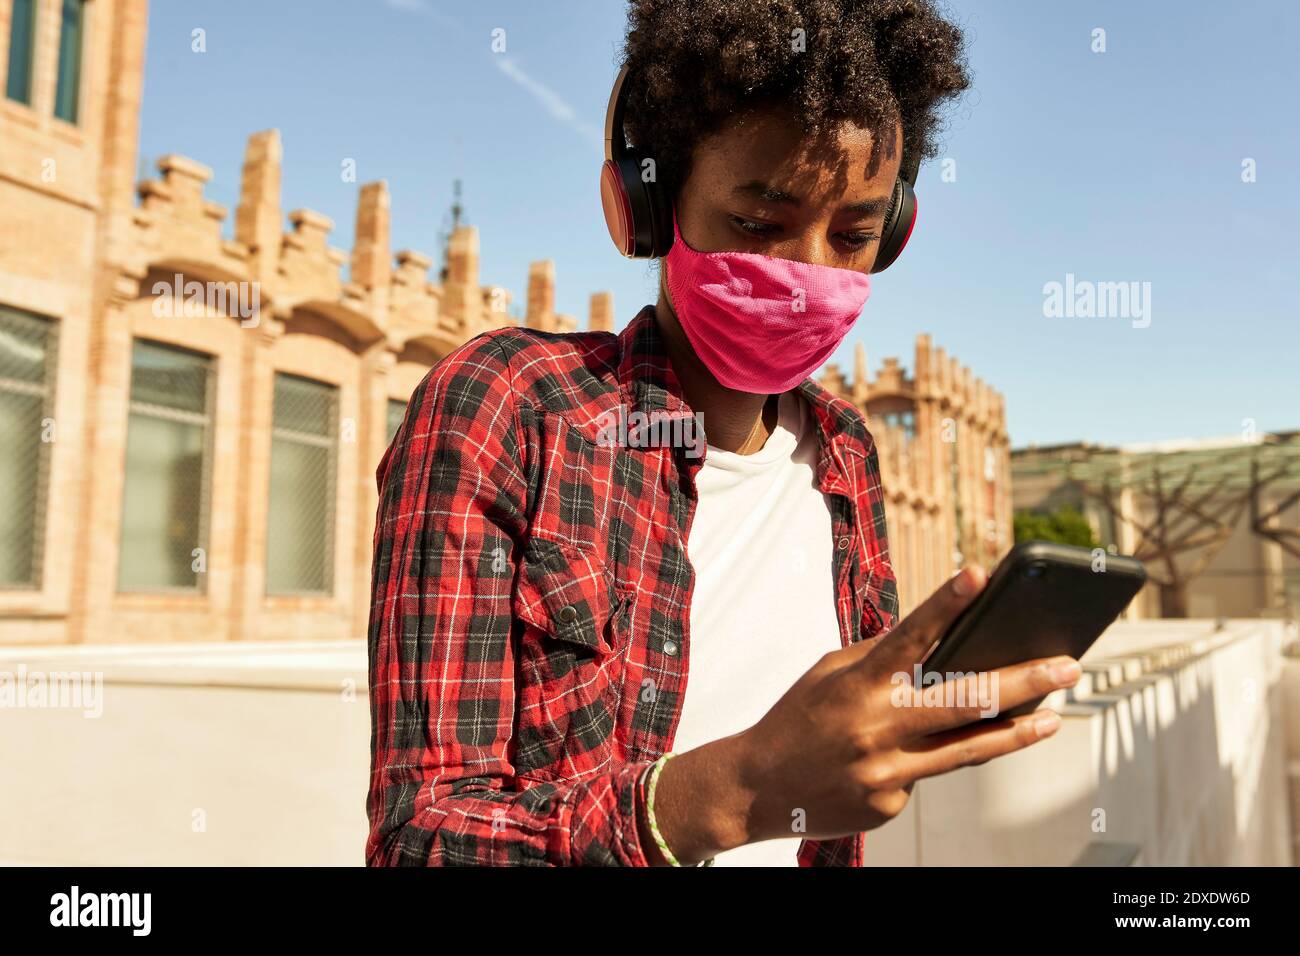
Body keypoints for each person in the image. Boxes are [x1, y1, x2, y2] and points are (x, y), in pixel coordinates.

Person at [365, 0, 1082, 867]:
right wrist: (740, 791)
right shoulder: (508, 407)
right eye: (758, 225)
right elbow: (420, 837)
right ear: (646, 206)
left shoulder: (847, 450)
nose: (811, 272)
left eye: (855, 234)